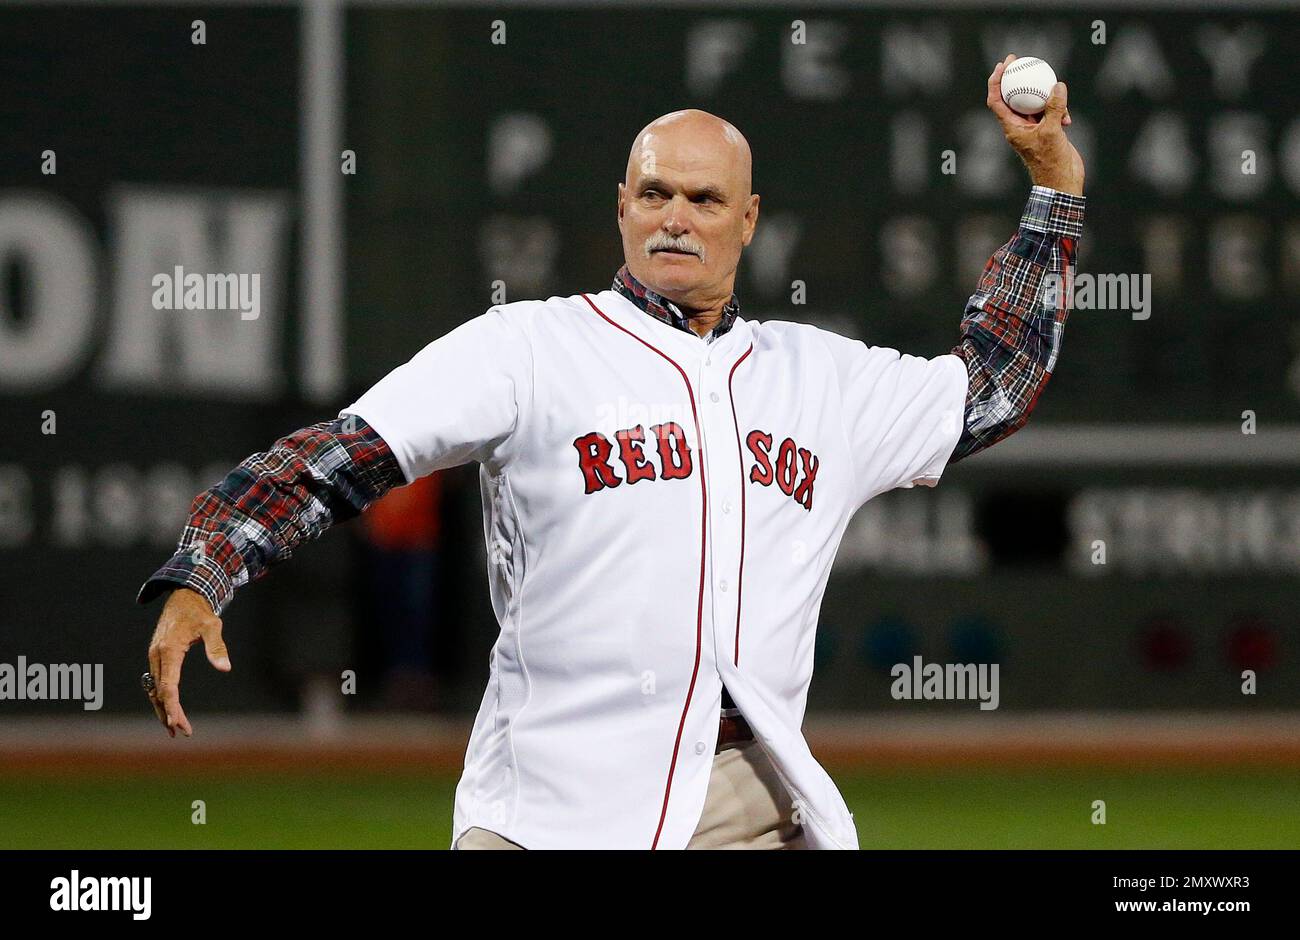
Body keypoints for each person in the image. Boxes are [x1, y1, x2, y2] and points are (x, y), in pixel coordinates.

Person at [139, 55, 1085, 849]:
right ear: (622, 207)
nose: (675, 216)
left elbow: (995, 382)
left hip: (742, 798)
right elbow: (344, 454)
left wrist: (1054, 190)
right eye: (655, 193)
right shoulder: (529, 347)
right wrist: (206, 570)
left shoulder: (819, 380)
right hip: (550, 804)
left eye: (704, 199)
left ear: (748, 220)